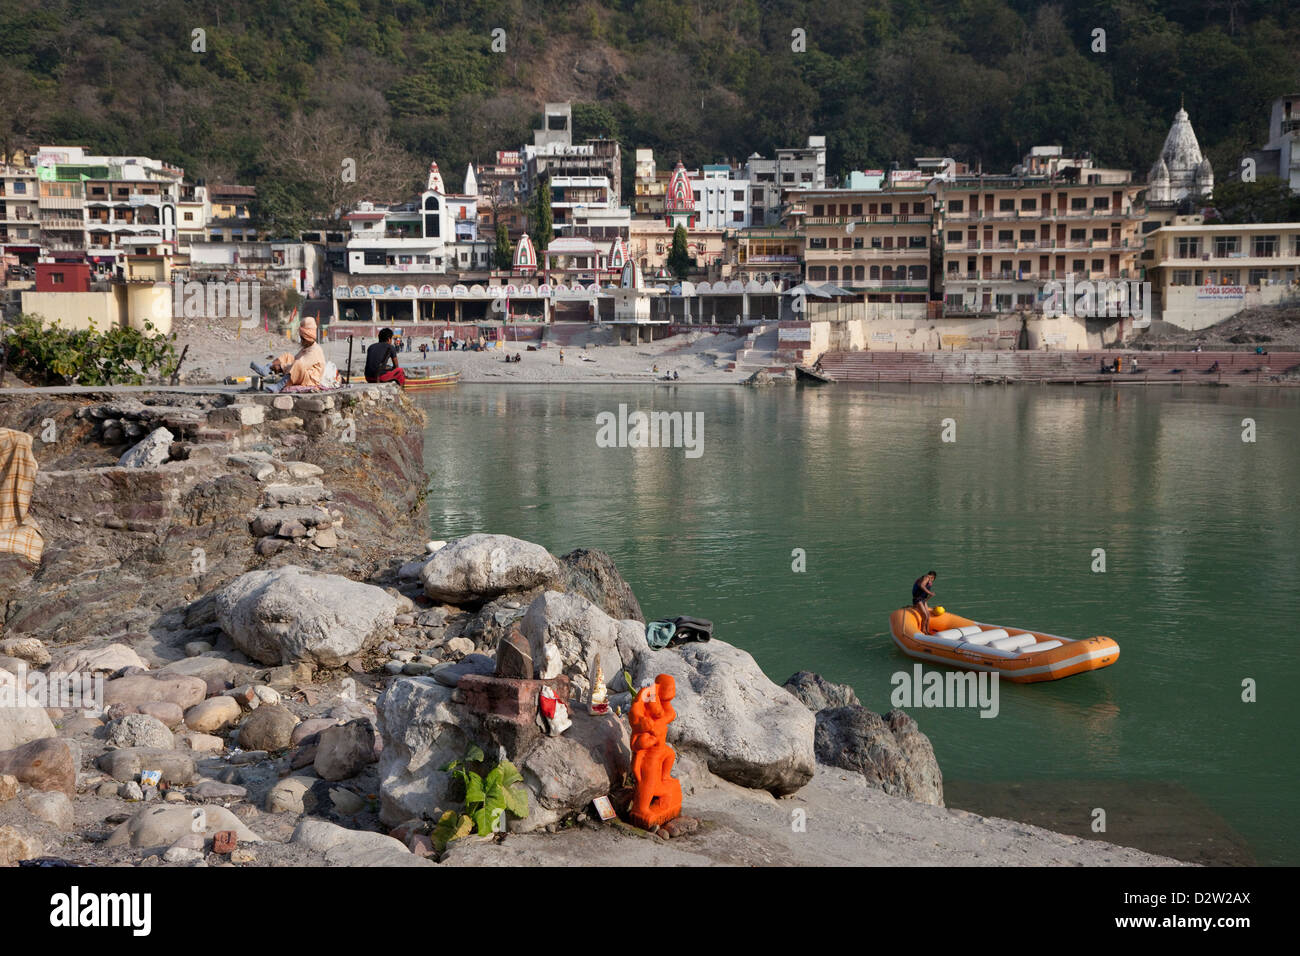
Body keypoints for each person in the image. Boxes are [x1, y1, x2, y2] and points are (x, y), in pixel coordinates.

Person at [251, 315, 325, 392]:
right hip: (302, 372)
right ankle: (267, 369)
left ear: (307, 338)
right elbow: (293, 360)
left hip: (310, 380)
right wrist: (279, 365)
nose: (301, 341)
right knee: (287, 356)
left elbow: (299, 364)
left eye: (302, 338)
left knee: (297, 364)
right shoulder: (306, 348)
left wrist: (281, 367)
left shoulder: (315, 350)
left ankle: (279, 386)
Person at [912, 571, 937, 635]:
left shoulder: (927, 580)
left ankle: (927, 630)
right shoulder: (927, 577)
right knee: (925, 615)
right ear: (933, 577)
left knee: (928, 615)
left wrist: (930, 596)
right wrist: (930, 593)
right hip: (917, 599)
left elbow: (925, 598)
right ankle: (923, 631)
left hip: (922, 600)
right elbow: (921, 585)